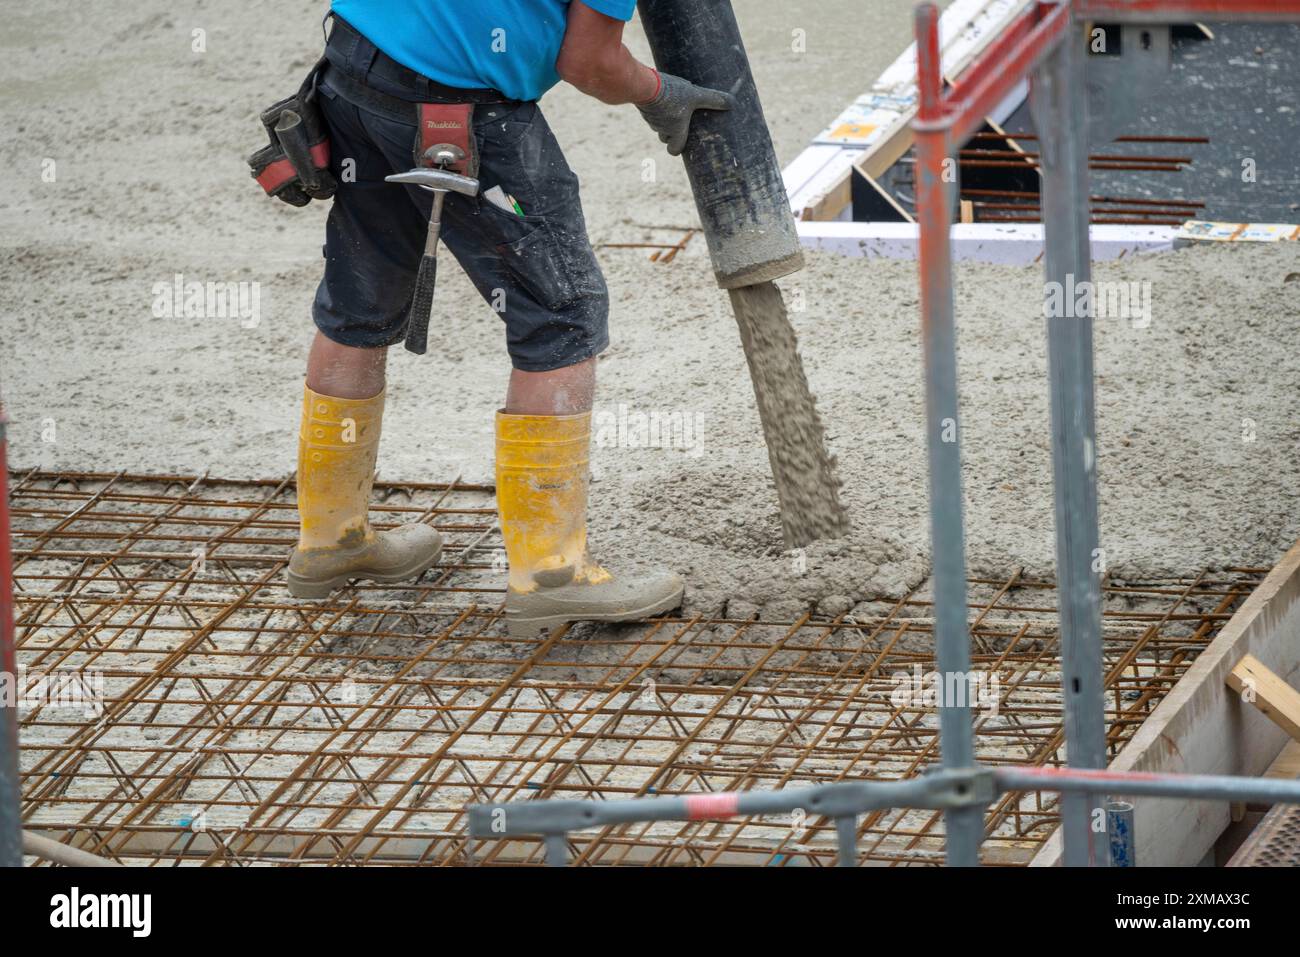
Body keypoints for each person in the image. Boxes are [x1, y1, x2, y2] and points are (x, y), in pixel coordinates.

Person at [287, 1, 731, 636]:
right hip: (460, 106)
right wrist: (658, 92)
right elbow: (590, 62)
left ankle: (331, 539)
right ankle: (550, 574)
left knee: (359, 301)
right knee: (562, 317)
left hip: (355, 68)